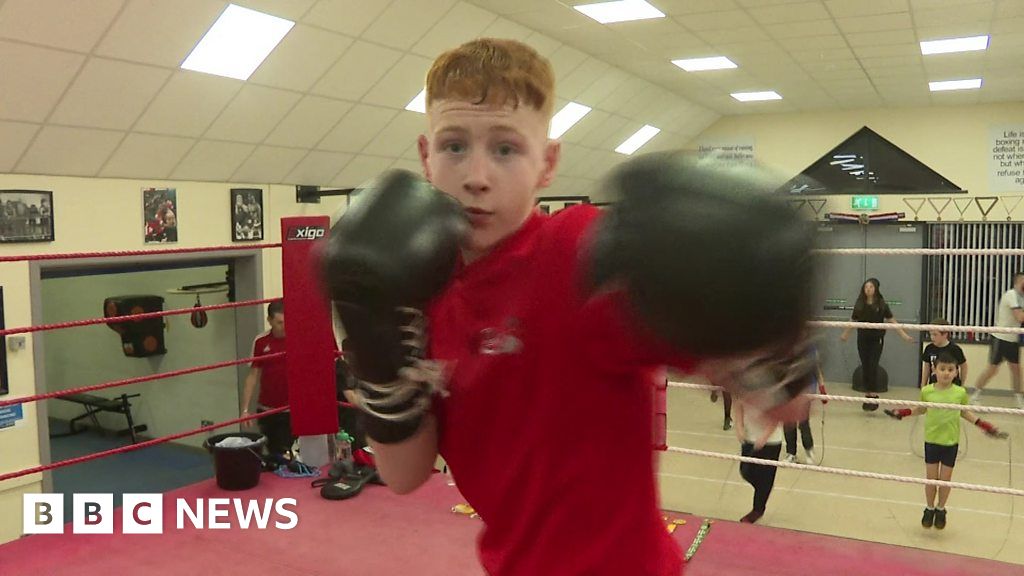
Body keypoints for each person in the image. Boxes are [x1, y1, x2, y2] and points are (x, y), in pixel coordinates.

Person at [323, 38, 816, 576]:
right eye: (454, 146)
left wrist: (769, 332)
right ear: (425, 155)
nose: (477, 176)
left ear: (548, 163)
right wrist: (377, 358)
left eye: (506, 149)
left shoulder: (579, 252)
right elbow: (405, 475)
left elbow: (786, 405)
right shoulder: (419, 289)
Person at [884, 352, 1007, 529]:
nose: (946, 373)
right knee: (931, 480)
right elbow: (921, 409)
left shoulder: (959, 393)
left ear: (956, 372)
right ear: (934, 370)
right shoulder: (927, 391)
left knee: (945, 480)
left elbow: (964, 412)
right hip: (932, 441)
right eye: (942, 369)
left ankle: (941, 509)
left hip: (950, 443)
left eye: (950, 369)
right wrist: (903, 413)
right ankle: (929, 508)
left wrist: (984, 425)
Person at [840, 278, 914, 411]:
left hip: (876, 340)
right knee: (866, 366)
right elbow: (853, 320)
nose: (868, 289)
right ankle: (867, 396)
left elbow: (892, 320)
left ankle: (873, 395)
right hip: (862, 338)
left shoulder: (881, 304)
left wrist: (904, 335)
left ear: (875, 289)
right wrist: (846, 333)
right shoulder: (860, 304)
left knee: (873, 365)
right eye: (866, 287)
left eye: (871, 287)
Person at [240, 301, 291, 464]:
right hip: (267, 408)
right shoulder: (261, 341)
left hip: (292, 408)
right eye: (279, 322)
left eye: (287, 321)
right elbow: (253, 375)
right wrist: (245, 409)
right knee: (273, 454)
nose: (284, 326)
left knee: (288, 454)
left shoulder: (299, 338)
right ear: (269, 320)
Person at [969, 273, 1024, 407]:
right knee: (992, 369)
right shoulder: (1011, 295)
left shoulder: (1021, 298)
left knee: (1016, 369)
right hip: (1001, 337)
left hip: (1013, 338)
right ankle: (975, 395)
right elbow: (1020, 318)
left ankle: (1018, 398)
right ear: (1017, 282)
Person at [734, 398, 783, 524]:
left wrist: (765, 437)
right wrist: (739, 426)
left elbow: (778, 415)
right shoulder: (743, 385)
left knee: (765, 477)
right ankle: (764, 489)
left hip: (771, 440)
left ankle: (758, 509)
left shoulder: (772, 389)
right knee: (745, 471)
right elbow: (738, 403)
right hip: (749, 437)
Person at [783, 345, 825, 464]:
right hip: (789, 388)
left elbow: (817, 368)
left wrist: (822, 387)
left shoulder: (810, 347)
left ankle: (809, 450)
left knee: (803, 421)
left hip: (805, 388)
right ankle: (791, 453)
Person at [920, 318, 967, 388]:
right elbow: (926, 367)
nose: (932, 337)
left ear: (945, 334)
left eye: (935, 335)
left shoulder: (955, 349)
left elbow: (964, 366)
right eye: (931, 334)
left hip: (952, 386)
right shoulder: (929, 348)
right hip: (934, 386)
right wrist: (923, 384)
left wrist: (962, 384)